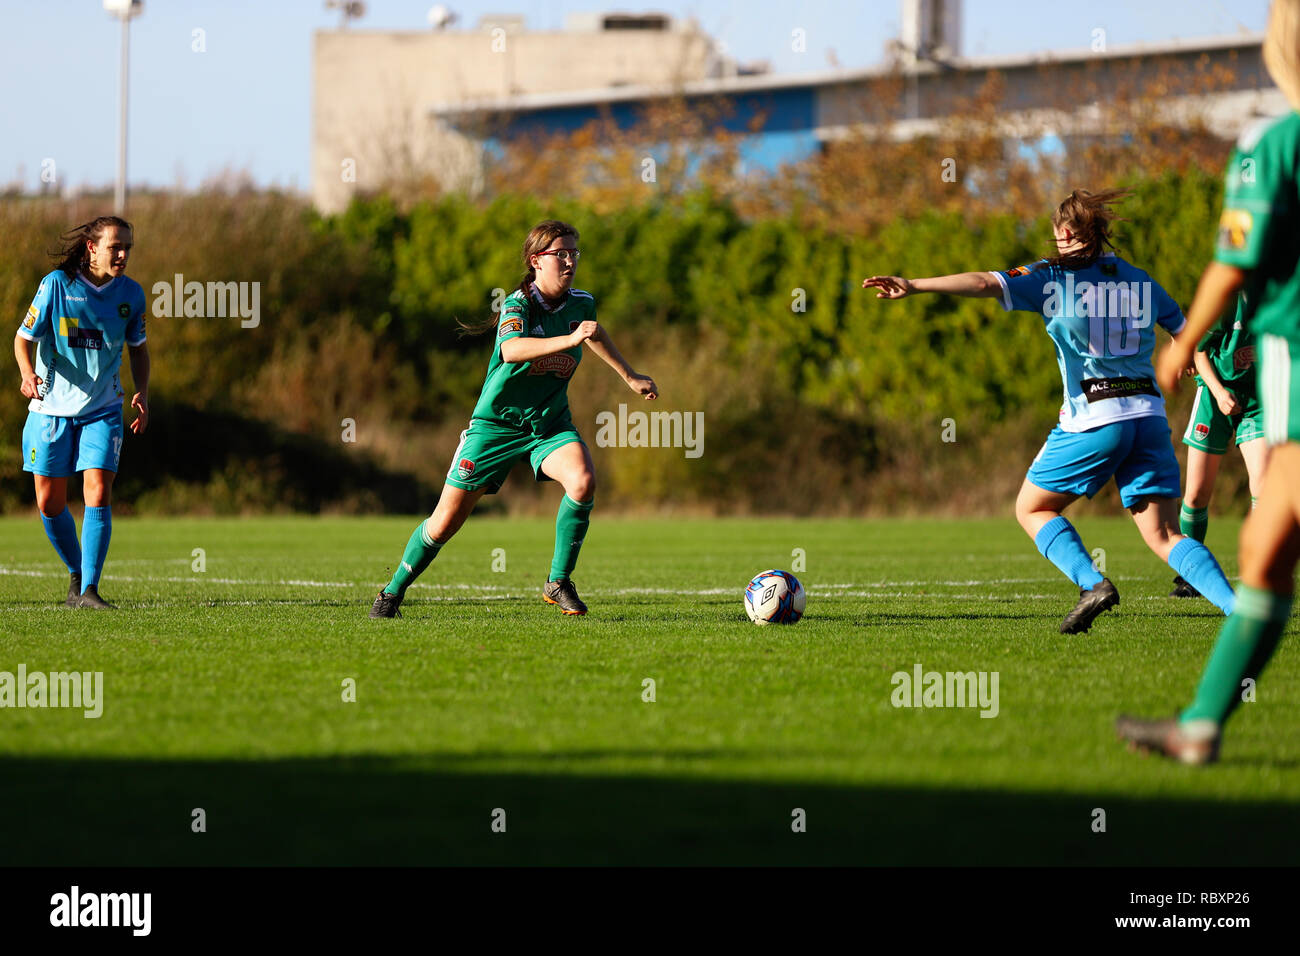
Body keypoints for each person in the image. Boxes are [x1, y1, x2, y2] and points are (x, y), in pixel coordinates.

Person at [864, 188, 1236, 634]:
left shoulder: (1051, 277)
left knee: (1032, 508)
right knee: (1165, 535)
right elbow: (1187, 335)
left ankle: (1092, 583)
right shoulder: (1140, 279)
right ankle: (1241, 612)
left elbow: (984, 283)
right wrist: (1207, 382)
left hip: (1094, 417)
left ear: (1063, 232)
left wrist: (915, 284)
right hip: (1149, 418)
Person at [1117, 0, 1300, 764]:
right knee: (1264, 546)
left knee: (1268, 551)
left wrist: (1182, 343)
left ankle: (1199, 726)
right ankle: (1200, 725)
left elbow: (1233, 261)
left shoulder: (1273, 145)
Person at [369, 219, 658, 618]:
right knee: (445, 522)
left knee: (584, 479)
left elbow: (593, 331)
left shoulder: (581, 302)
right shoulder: (518, 303)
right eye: (561, 253)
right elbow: (512, 349)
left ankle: (558, 581)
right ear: (536, 260)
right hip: (495, 426)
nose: (570, 260)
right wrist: (569, 339)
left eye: (575, 252)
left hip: (548, 425)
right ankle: (391, 593)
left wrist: (629, 375)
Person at [13, 216, 149, 610]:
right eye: (115, 247)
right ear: (92, 247)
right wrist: (27, 375)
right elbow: (23, 340)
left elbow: (138, 347)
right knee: (49, 503)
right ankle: (77, 573)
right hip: (50, 408)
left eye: (127, 248)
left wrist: (143, 390)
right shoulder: (56, 285)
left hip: (103, 407)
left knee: (99, 491)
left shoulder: (132, 295)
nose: (122, 255)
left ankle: (90, 589)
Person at [1169, 294, 1268, 599]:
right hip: (1215, 396)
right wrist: (1220, 393)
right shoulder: (1226, 303)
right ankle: (1190, 574)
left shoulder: (1280, 298)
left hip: (1257, 402)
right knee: (1197, 493)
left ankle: (1259, 569)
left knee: (1263, 488)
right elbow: (1198, 353)